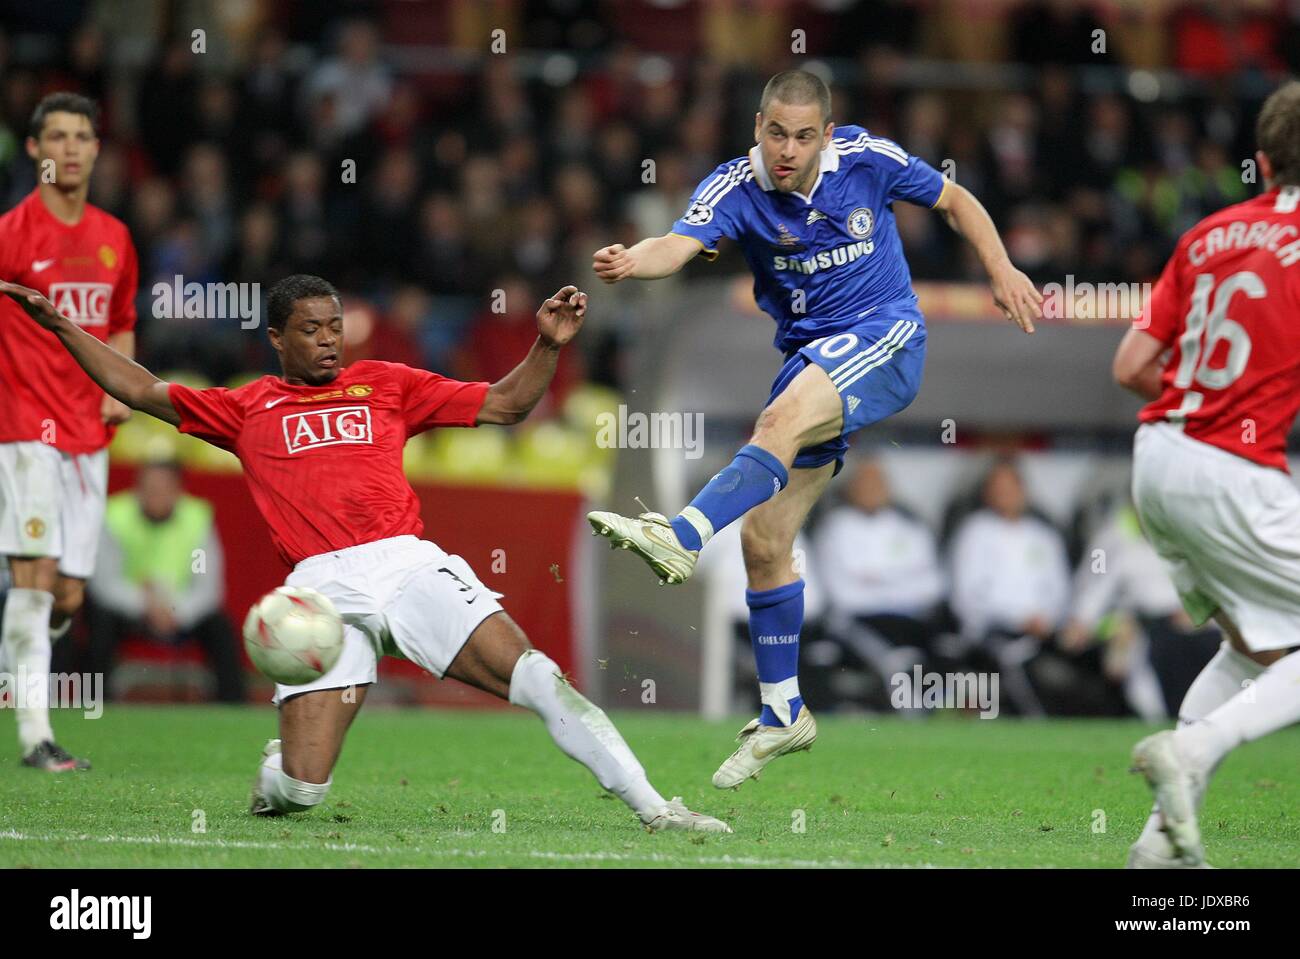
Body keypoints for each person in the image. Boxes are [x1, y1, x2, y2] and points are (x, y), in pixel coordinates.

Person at [0, 272, 729, 834]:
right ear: (276, 339)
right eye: (310, 329)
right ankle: (279, 776)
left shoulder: (388, 383)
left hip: (407, 561)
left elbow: (506, 406)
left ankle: (656, 807)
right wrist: (61, 323)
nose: (327, 339)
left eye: (334, 326)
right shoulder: (246, 407)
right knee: (305, 789)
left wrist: (547, 344)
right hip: (322, 590)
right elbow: (141, 386)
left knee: (538, 675)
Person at [588, 69, 1041, 788]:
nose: (788, 149)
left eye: (803, 135)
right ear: (758, 130)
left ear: (826, 135)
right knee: (765, 540)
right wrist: (630, 260)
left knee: (777, 419)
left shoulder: (868, 159)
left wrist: (1001, 265)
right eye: (776, 133)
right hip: (812, 359)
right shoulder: (735, 187)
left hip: (887, 335)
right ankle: (782, 710)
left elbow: (955, 199)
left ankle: (680, 536)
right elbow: (677, 242)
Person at [1113, 80, 1300, 868]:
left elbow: (1130, 367)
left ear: (1260, 163)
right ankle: (1193, 751)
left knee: (1254, 646)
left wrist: (1205, 404)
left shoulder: (1208, 234)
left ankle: (1156, 848)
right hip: (1232, 470)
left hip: (1156, 459)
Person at [0, 92, 138, 771]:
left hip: (88, 431)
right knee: (34, 576)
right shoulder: (10, 235)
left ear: (96, 149)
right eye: (56, 136)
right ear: (34, 150)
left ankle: (13, 657)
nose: (71, 148)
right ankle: (34, 736)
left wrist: (123, 386)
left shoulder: (114, 237)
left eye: (83, 136)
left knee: (69, 592)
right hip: (24, 428)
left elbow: (121, 319)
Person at [86, 459, 246, 703]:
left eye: (163, 489)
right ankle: (94, 704)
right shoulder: (115, 516)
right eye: (149, 488)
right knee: (98, 623)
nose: (155, 495)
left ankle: (232, 708)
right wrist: (146, 605)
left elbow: (206, 586)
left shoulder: (196, 520)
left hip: (180, 610)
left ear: (178, 491)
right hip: (128, 610)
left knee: (220, 628)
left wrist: (174, 611)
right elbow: (105, 581)